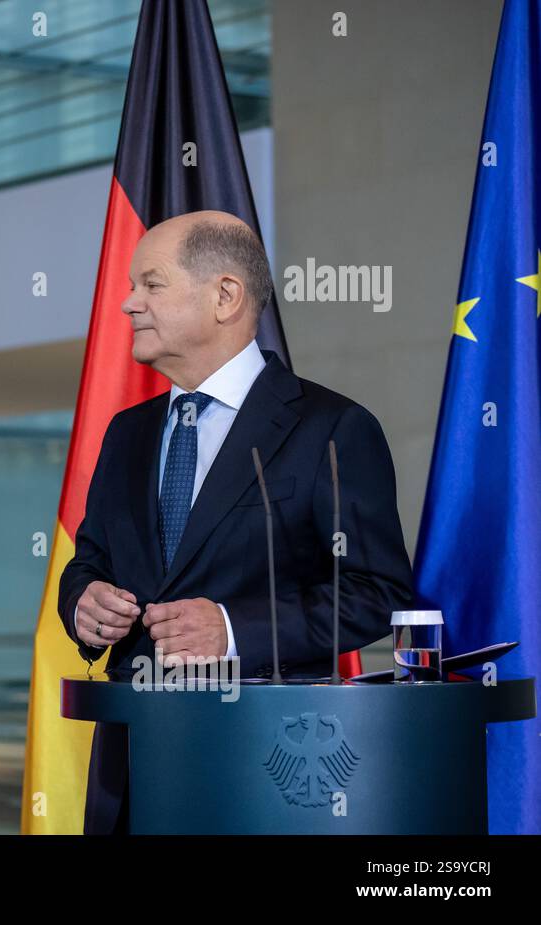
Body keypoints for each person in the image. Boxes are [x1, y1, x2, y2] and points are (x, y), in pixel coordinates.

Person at [59, 210, 413, 834]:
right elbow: (90, 560)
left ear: (226, 296)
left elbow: (374, 594)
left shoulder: (332, 428)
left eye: (151, 283)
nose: (127, 304)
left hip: (265, 772)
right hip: (131, 773)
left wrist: (229, 628)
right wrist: (83, 604)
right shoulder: (126, 433)